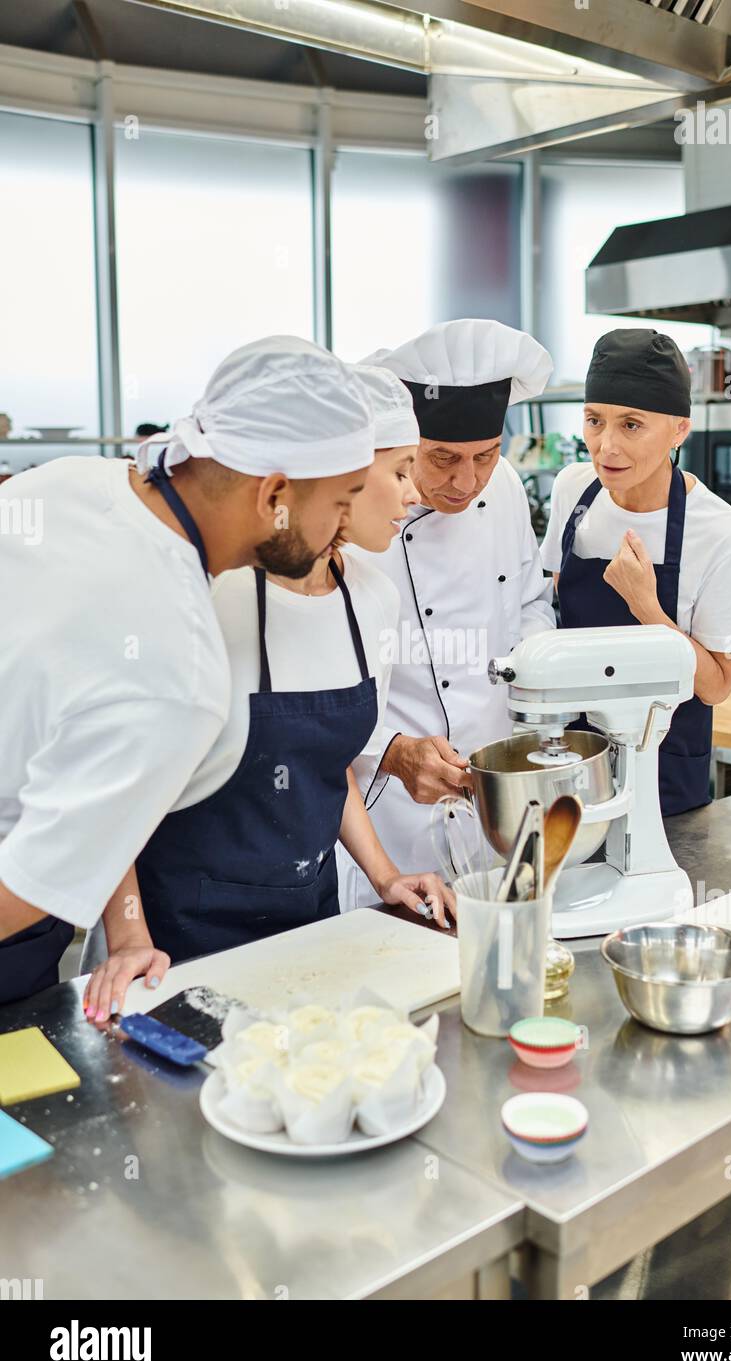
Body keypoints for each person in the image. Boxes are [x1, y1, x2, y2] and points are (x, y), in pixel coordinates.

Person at [0, 335, 375, 1004]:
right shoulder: (181, 674)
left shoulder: (66, 481)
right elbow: (25, 889)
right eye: (343, 501)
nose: (343, 527)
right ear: (276, 495)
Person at [83, 366, 454, 1020]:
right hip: (178, 938)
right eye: (398, 470)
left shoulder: (373, 600)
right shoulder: (214, 588)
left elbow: (323, 761)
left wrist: (385, 875)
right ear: (337, 474)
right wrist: (129, 935)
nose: (414, 493)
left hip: (308, 926)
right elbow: (114, 780)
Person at [338, 319, 556, 909]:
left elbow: (532, 600)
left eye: (485, 456)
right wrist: (391, 749)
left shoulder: (504, 488)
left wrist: (525, 672)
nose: (467, 482)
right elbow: (318, 692)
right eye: (441, 460)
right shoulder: (355, 508)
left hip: (493, 792)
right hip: (386, 809)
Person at [540, 327, 731, 816]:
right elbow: (555, 605)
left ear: (680, 429)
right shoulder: (573, 490)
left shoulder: (720, 532)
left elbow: (717, 686)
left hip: (662, 770)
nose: (606, 447)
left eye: (632, 425)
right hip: (572, 761)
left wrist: (646, 606)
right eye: (594, 421)